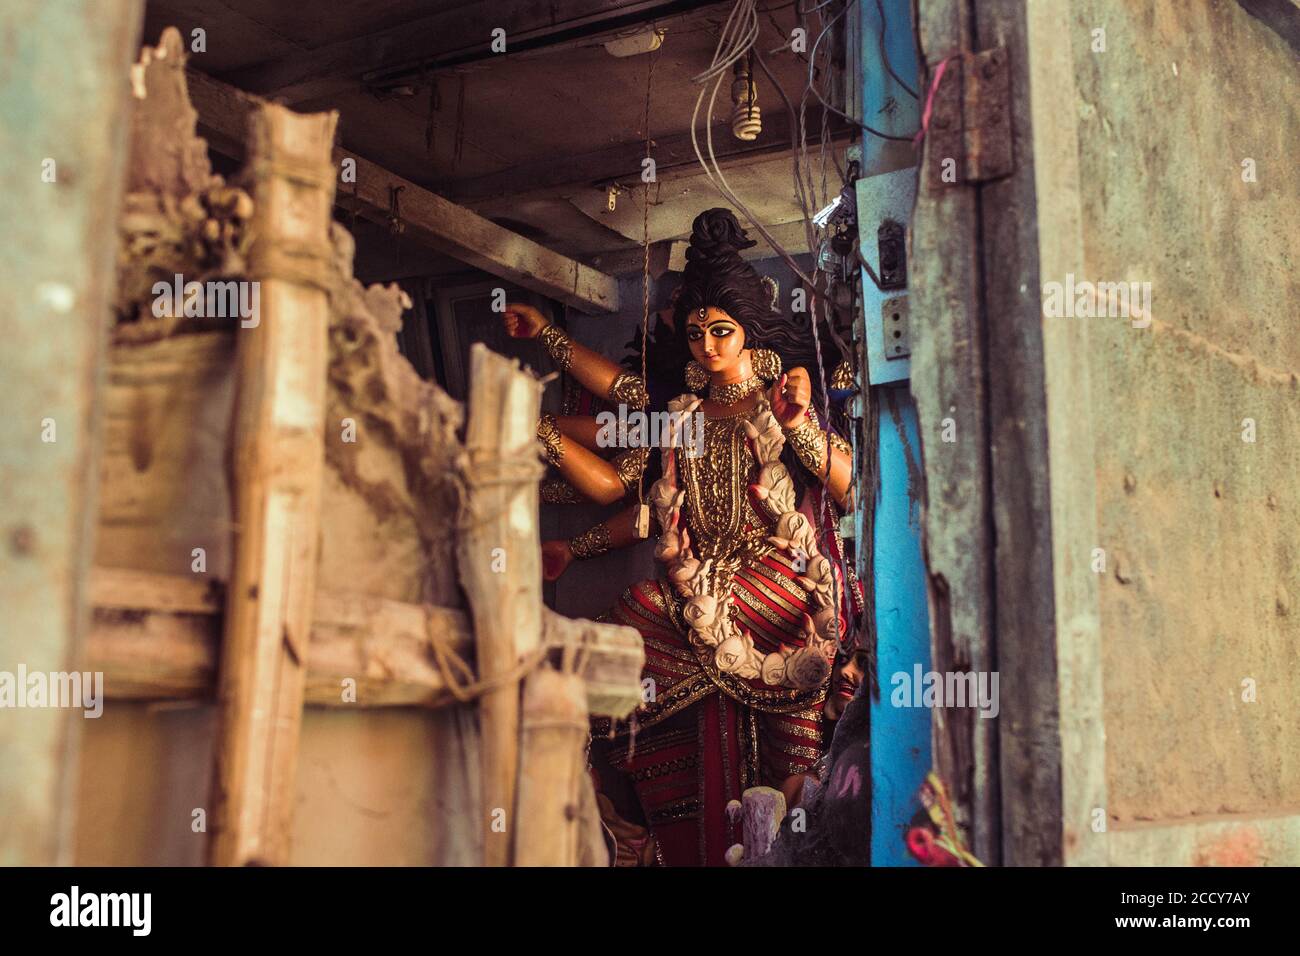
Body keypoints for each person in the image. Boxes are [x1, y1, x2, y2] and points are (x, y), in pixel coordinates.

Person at [506, 208, 861, 865]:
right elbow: (618, 425)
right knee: (612, 636)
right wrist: (550, 339)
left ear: (751, 336)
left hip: (780, 580)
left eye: (721, 332)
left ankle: (788, 831)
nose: (707, 346)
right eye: (697, 333)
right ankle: (630, 836)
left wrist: (799, 423)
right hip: (692, 588)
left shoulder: (782, 399)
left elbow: (850, 488)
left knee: (794, 758)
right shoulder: (681, 415)